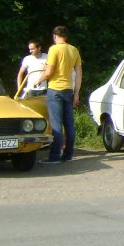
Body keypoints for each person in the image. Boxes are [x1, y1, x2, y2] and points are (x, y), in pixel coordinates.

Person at [34, 25, 83, 163]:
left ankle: (54, 156)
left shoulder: (53, 49)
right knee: (69, 124)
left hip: (55, 90)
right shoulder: (74, 50)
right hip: (69, 90)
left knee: (56, 124)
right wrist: (77, 92)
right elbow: (79, 73)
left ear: (55, 36)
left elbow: (49, 72)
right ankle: (68, 155)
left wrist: (39, 80)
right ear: (66, 36)